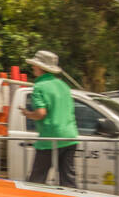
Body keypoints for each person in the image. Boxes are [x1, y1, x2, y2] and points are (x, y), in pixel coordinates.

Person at [22, 49, 78, 187]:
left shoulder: (39, 86)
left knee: (37, 180)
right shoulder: (64, 86)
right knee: (68, 180)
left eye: (35, 65)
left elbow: (41, 113)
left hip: (50, 138)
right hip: (70, 136)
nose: (33, 67)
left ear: (41, 67)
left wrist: (27, 114)